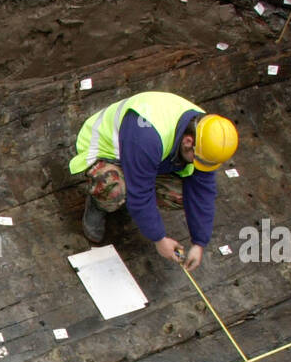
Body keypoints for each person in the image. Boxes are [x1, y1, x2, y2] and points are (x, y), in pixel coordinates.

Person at [68, 90, 238, 272]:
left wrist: (199, 242)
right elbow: (140, 193)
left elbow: (203, 190)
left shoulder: (205, 134)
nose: (199, 165)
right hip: (106, 152)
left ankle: (132, 201)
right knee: (114, 189)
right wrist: (159, 239)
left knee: (184, 196)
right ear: (188, 142)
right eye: (198, 160)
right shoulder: (147, 136)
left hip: (149, 159)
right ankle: (99, 203)